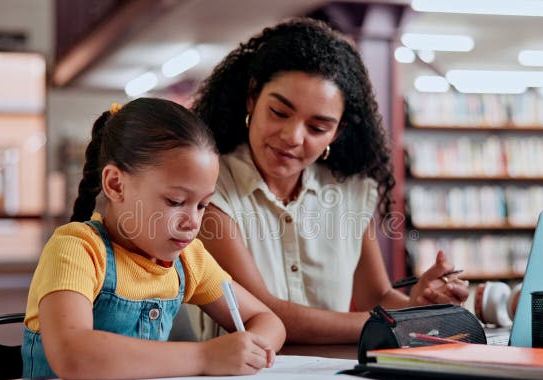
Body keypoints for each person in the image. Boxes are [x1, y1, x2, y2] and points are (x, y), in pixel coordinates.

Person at [193, 18, 469, 344]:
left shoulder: (349, 189)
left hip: (334, 374)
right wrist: (399, 322)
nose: (293, 137)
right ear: (252, 97)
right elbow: (262, 312)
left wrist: (419, 306)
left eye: (318, 127)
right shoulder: (208, 184)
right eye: (280, 113)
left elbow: (376, 295)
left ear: (337, 133)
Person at [21, 98, 285, 380]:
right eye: (175, 201)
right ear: (115, 184)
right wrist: (205, 356)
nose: (192, 222)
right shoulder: (77, 249)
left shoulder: (189, 259)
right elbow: (73, 355)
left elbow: (269, 321)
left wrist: (251, 349)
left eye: (202, 205)